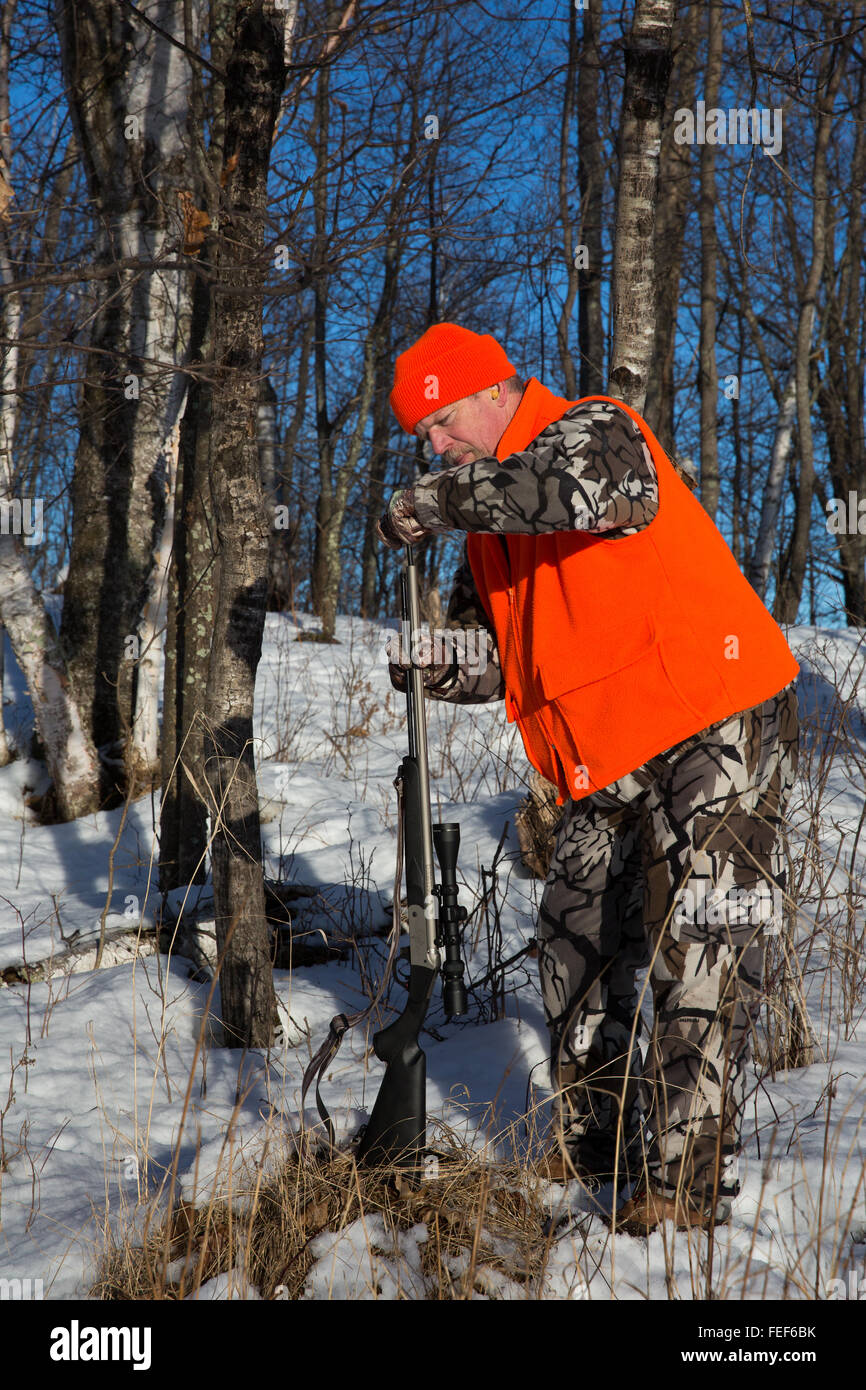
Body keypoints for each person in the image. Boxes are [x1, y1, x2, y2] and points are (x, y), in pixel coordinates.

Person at [377, 322, 799, 1235]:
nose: (434, 443)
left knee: (692, 949)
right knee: (573, 938)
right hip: (602, 755)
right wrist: (434, 661)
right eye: (423, 434)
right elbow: (493, 655)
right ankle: (594, 1148)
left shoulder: (596, 427)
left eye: (443, 421)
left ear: (494, 393)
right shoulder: (486, 527)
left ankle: (681, 1192)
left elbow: (572, 494)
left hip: (706, 714)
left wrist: (441, 497)